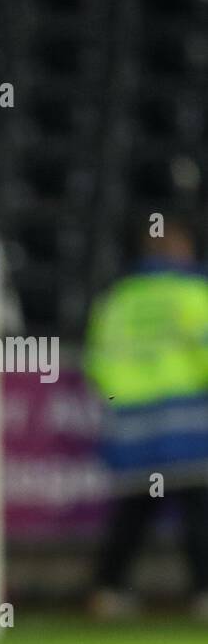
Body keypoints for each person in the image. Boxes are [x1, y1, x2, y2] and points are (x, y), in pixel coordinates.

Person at [85, 216, 208, 619]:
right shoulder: (193, 293)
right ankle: (203, 593)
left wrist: (121, 399)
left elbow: (98, 360)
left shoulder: (118, 300)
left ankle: (107, 590)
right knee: (198, 509)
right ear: (180, 249)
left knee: (134, 511)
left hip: (133, 423)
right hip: (187, 418)